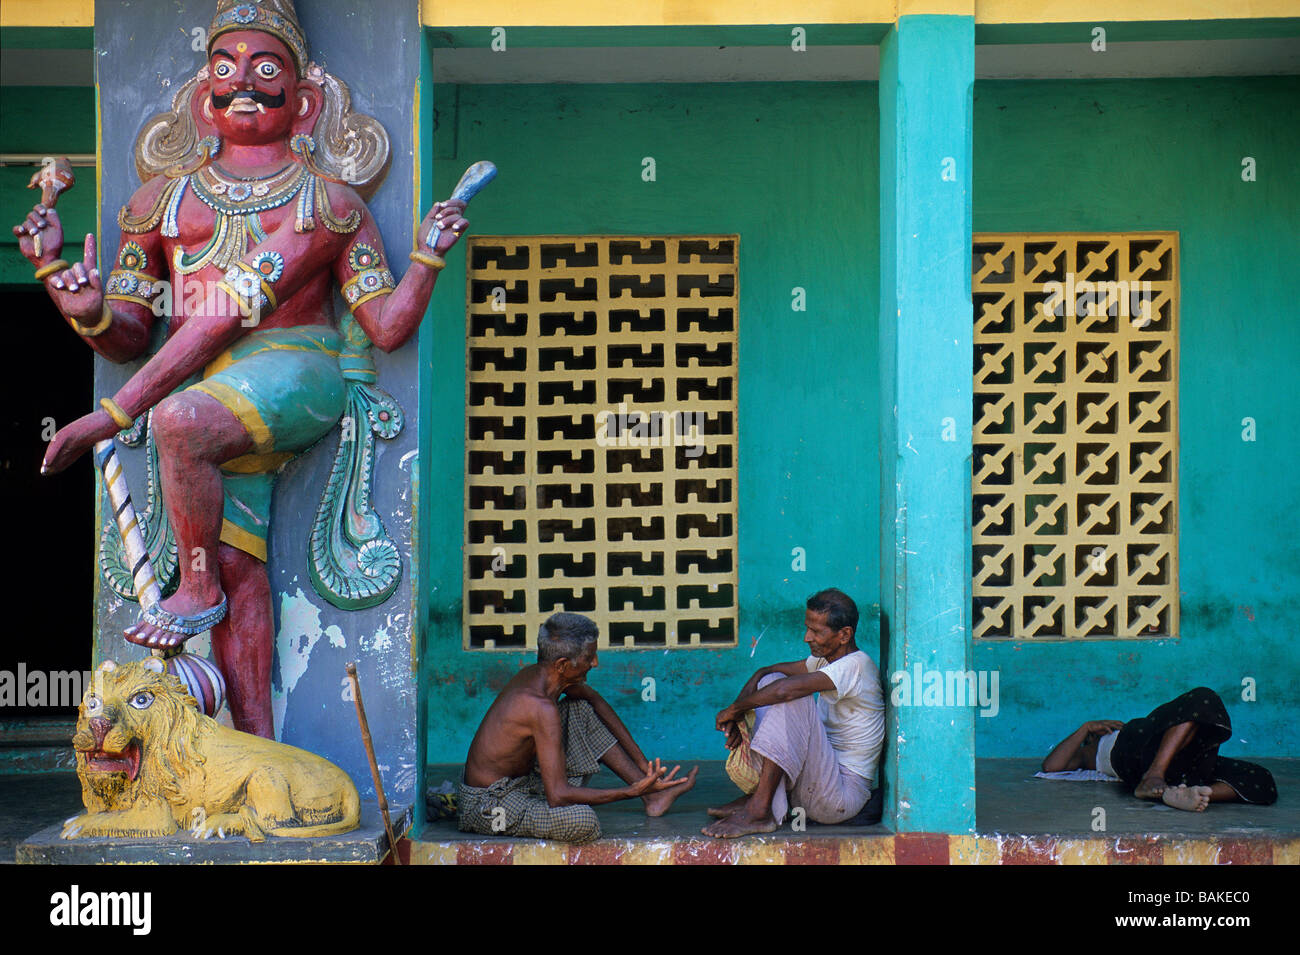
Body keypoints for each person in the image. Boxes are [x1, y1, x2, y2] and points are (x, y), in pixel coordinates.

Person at [16, 0, 465, 737]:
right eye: (224, 68)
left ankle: (191, 588)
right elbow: (135, 334)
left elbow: (383, 326)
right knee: (236, 564)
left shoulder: (327, 206)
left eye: (265, 68)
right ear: (202, 94)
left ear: (306, 98)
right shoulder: (157, 204)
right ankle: (259, 742)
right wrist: (80, 299)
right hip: (215, 396)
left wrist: (426, 256)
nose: (242, 83)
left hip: (294, 372)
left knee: (182, 423)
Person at [458, 612, 698, 844]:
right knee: (582, 820)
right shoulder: (538, 705)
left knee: (581, 709)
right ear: (563, 664)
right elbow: (558, 796)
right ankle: (644, 793)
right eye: (589, 657)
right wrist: (629, 791)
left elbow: (596, 702)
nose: (595, 663)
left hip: (523, 782)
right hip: (489, 802)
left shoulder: (547, 677)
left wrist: (643, 766)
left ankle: (654, 796)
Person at [704, 588, 884, 838]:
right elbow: (768, 674)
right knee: (774, 681)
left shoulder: (857, 665)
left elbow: (785, 692)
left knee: (792, 697)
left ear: (844, 635)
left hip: (840, 795)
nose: (806, 637)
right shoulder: (825, 661)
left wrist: (735, 709)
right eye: (807, 628)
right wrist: (738, 713)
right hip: (815, 782)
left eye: (816, 632)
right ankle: (759, 798)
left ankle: (760, 810)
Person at [1042, 686, 1277, 811]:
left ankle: (1187, 795)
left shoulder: (1159, 734)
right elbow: (1051, 766)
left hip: (1180, 771)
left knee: (1260, 778)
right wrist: (1085, 729)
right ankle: (1152, 777)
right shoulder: (1089, 752)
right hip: (1138, 758)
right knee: (1203, 698)